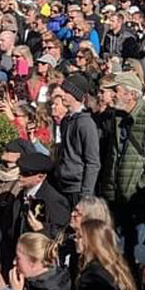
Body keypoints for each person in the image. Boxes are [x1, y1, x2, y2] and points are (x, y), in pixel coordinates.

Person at [97, 72, 145, 254]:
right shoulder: (116, 116)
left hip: (138, 201)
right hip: (115, 196)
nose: (112, 94)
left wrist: (139, 184)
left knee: (135, 251)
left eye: (117, 90)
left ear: (130, 95)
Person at [52, 74, 102, 204]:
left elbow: (92, 162)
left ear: (76, 95)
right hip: (63, 185)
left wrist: (86, 194)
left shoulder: (86, 123)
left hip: (77, 188)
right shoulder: (66, 121)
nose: (62, 95)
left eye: (67, 92)